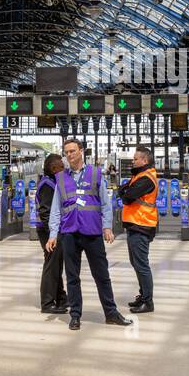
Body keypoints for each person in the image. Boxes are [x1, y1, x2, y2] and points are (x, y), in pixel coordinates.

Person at [46, 138, 132, 330]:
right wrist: (53, 234)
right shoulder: (60, 178)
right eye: (66, 152)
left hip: (92, 232)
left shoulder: (96, 173)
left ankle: (111, 313)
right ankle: (75, 315)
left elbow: (104, 203)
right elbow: (56, 209)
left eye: (72, 151)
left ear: (81, 151)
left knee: (101, 275)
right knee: (72, 277)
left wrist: (107, 227)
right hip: (69, 233)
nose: (69, 155)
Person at [118, 145, 158, 314]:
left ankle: (148, 302)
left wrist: (125, 192)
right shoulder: (139, 176)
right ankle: (143, 295)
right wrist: (125, 191)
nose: (133, 161)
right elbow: (124, 191)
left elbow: (127, 197)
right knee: (136, 263)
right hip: (135, 224)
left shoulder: (147, 178)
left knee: (141, 265)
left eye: (135, 159)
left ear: (144, 160)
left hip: (142, 224)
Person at [36, 154, 68, 314]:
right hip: (48, 231)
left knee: (56, 264)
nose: (64, 168)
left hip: (52, 230)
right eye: (61, 166)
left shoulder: (53, 182)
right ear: (53, 168)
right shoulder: (48, 185)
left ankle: (61, 298)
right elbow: (45, 211)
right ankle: (47, 302)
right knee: (51, 264)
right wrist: (52, 235)